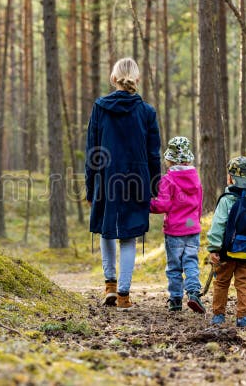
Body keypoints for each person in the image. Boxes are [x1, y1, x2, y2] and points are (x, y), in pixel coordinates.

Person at [86, 57, 162, 311]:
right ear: (136, 79)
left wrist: (90, 185)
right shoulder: (147, 112)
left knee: (106, 229)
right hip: (136, 179)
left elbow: (93, 151)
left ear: (114, 78)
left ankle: (109, 285)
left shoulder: (100, 107)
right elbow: (154, 154)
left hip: (106, 177)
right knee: (128, 237)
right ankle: (123, 295)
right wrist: (154, 186)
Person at [207, 157, 246, 328]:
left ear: (231, 178)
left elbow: (218, 224)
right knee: (244, 281)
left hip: (227, 250)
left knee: (221, 282)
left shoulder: (227, 199)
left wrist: (214, 248)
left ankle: (218, 315)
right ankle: (243, 317)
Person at [149, 137, 205, 313]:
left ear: (169, 159)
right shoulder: (195, 178)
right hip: (192, 227)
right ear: (188, 158)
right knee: (191, 261)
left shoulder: (168, 179)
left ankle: (175, 299)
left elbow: (163, 205)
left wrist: (148, 204)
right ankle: (194, 292)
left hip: (175, 230)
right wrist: (196, 221)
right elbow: (199, 204)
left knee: (174, 266)